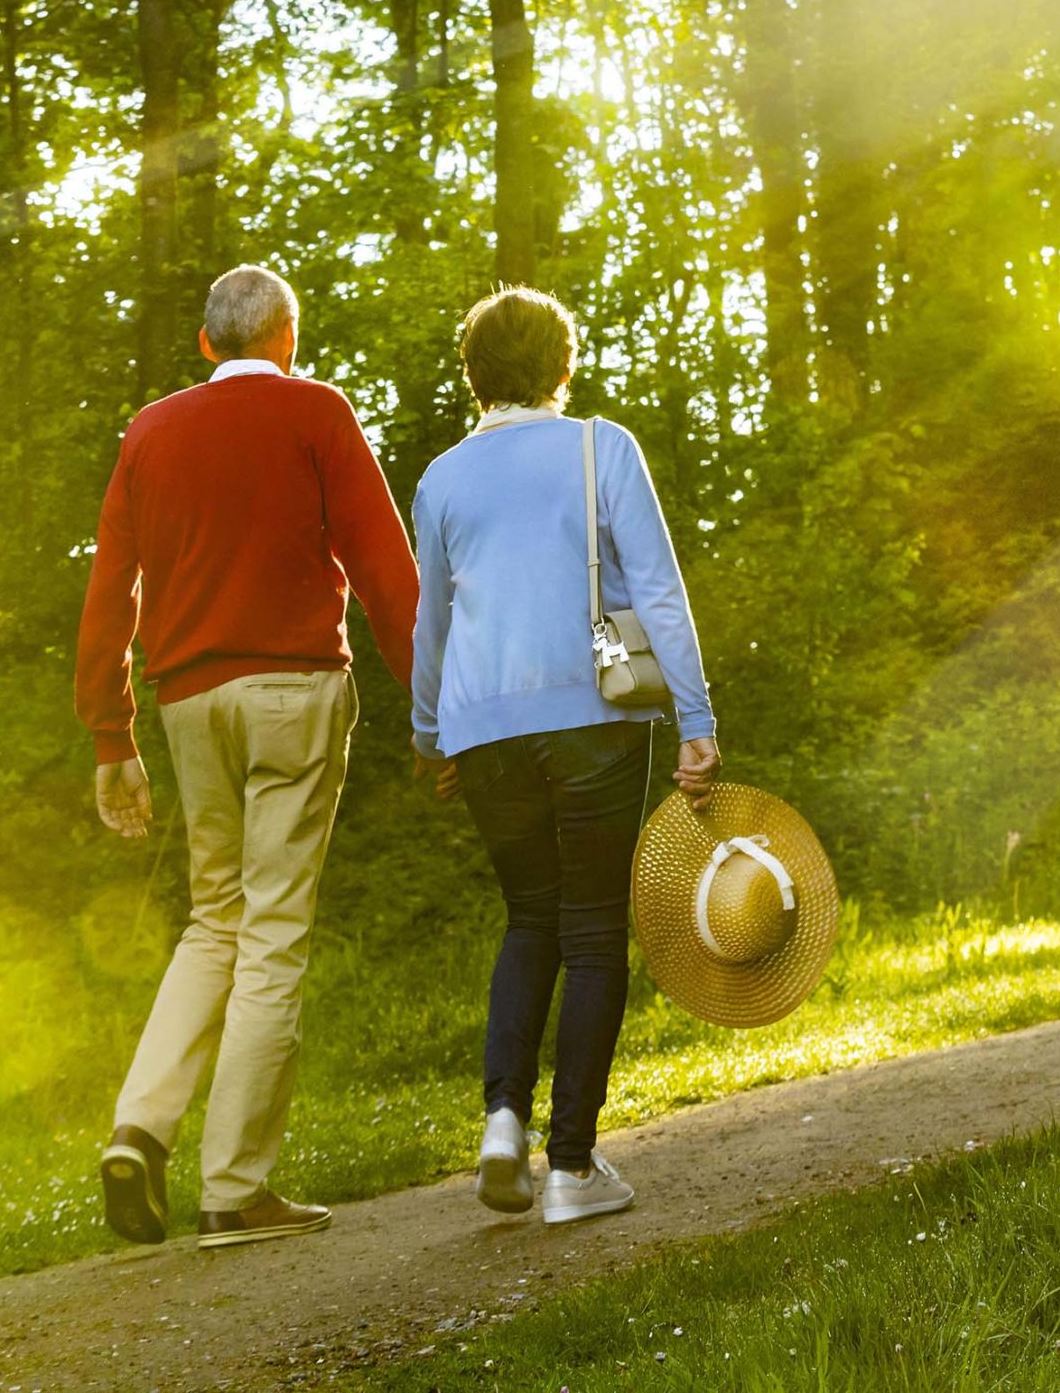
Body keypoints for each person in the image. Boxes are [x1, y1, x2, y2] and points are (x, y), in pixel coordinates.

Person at [74, 264, 418, 1249]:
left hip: (188, 703)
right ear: (288, 339)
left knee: (214, 918)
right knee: (269, 932)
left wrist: (111, 732)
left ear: (205, 343)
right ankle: (234, 1187)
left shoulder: (150, 432)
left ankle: (139, 1129)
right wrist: (434, 704)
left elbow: (112, 586)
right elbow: (384, 570)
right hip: (293, 693)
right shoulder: (316, 411)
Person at [409, 286, 719, 1225]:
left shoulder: (441, 478)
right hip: (593, 714)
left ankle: (503, 1121)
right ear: (561, 366)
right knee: (590, 932)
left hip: (481, 727)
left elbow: (431, 623)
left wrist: (429, 734)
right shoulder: (601, 446)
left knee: (528, 919)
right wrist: (696, 717)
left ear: (474, 375)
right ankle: (572, 1168)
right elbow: (658, 592)